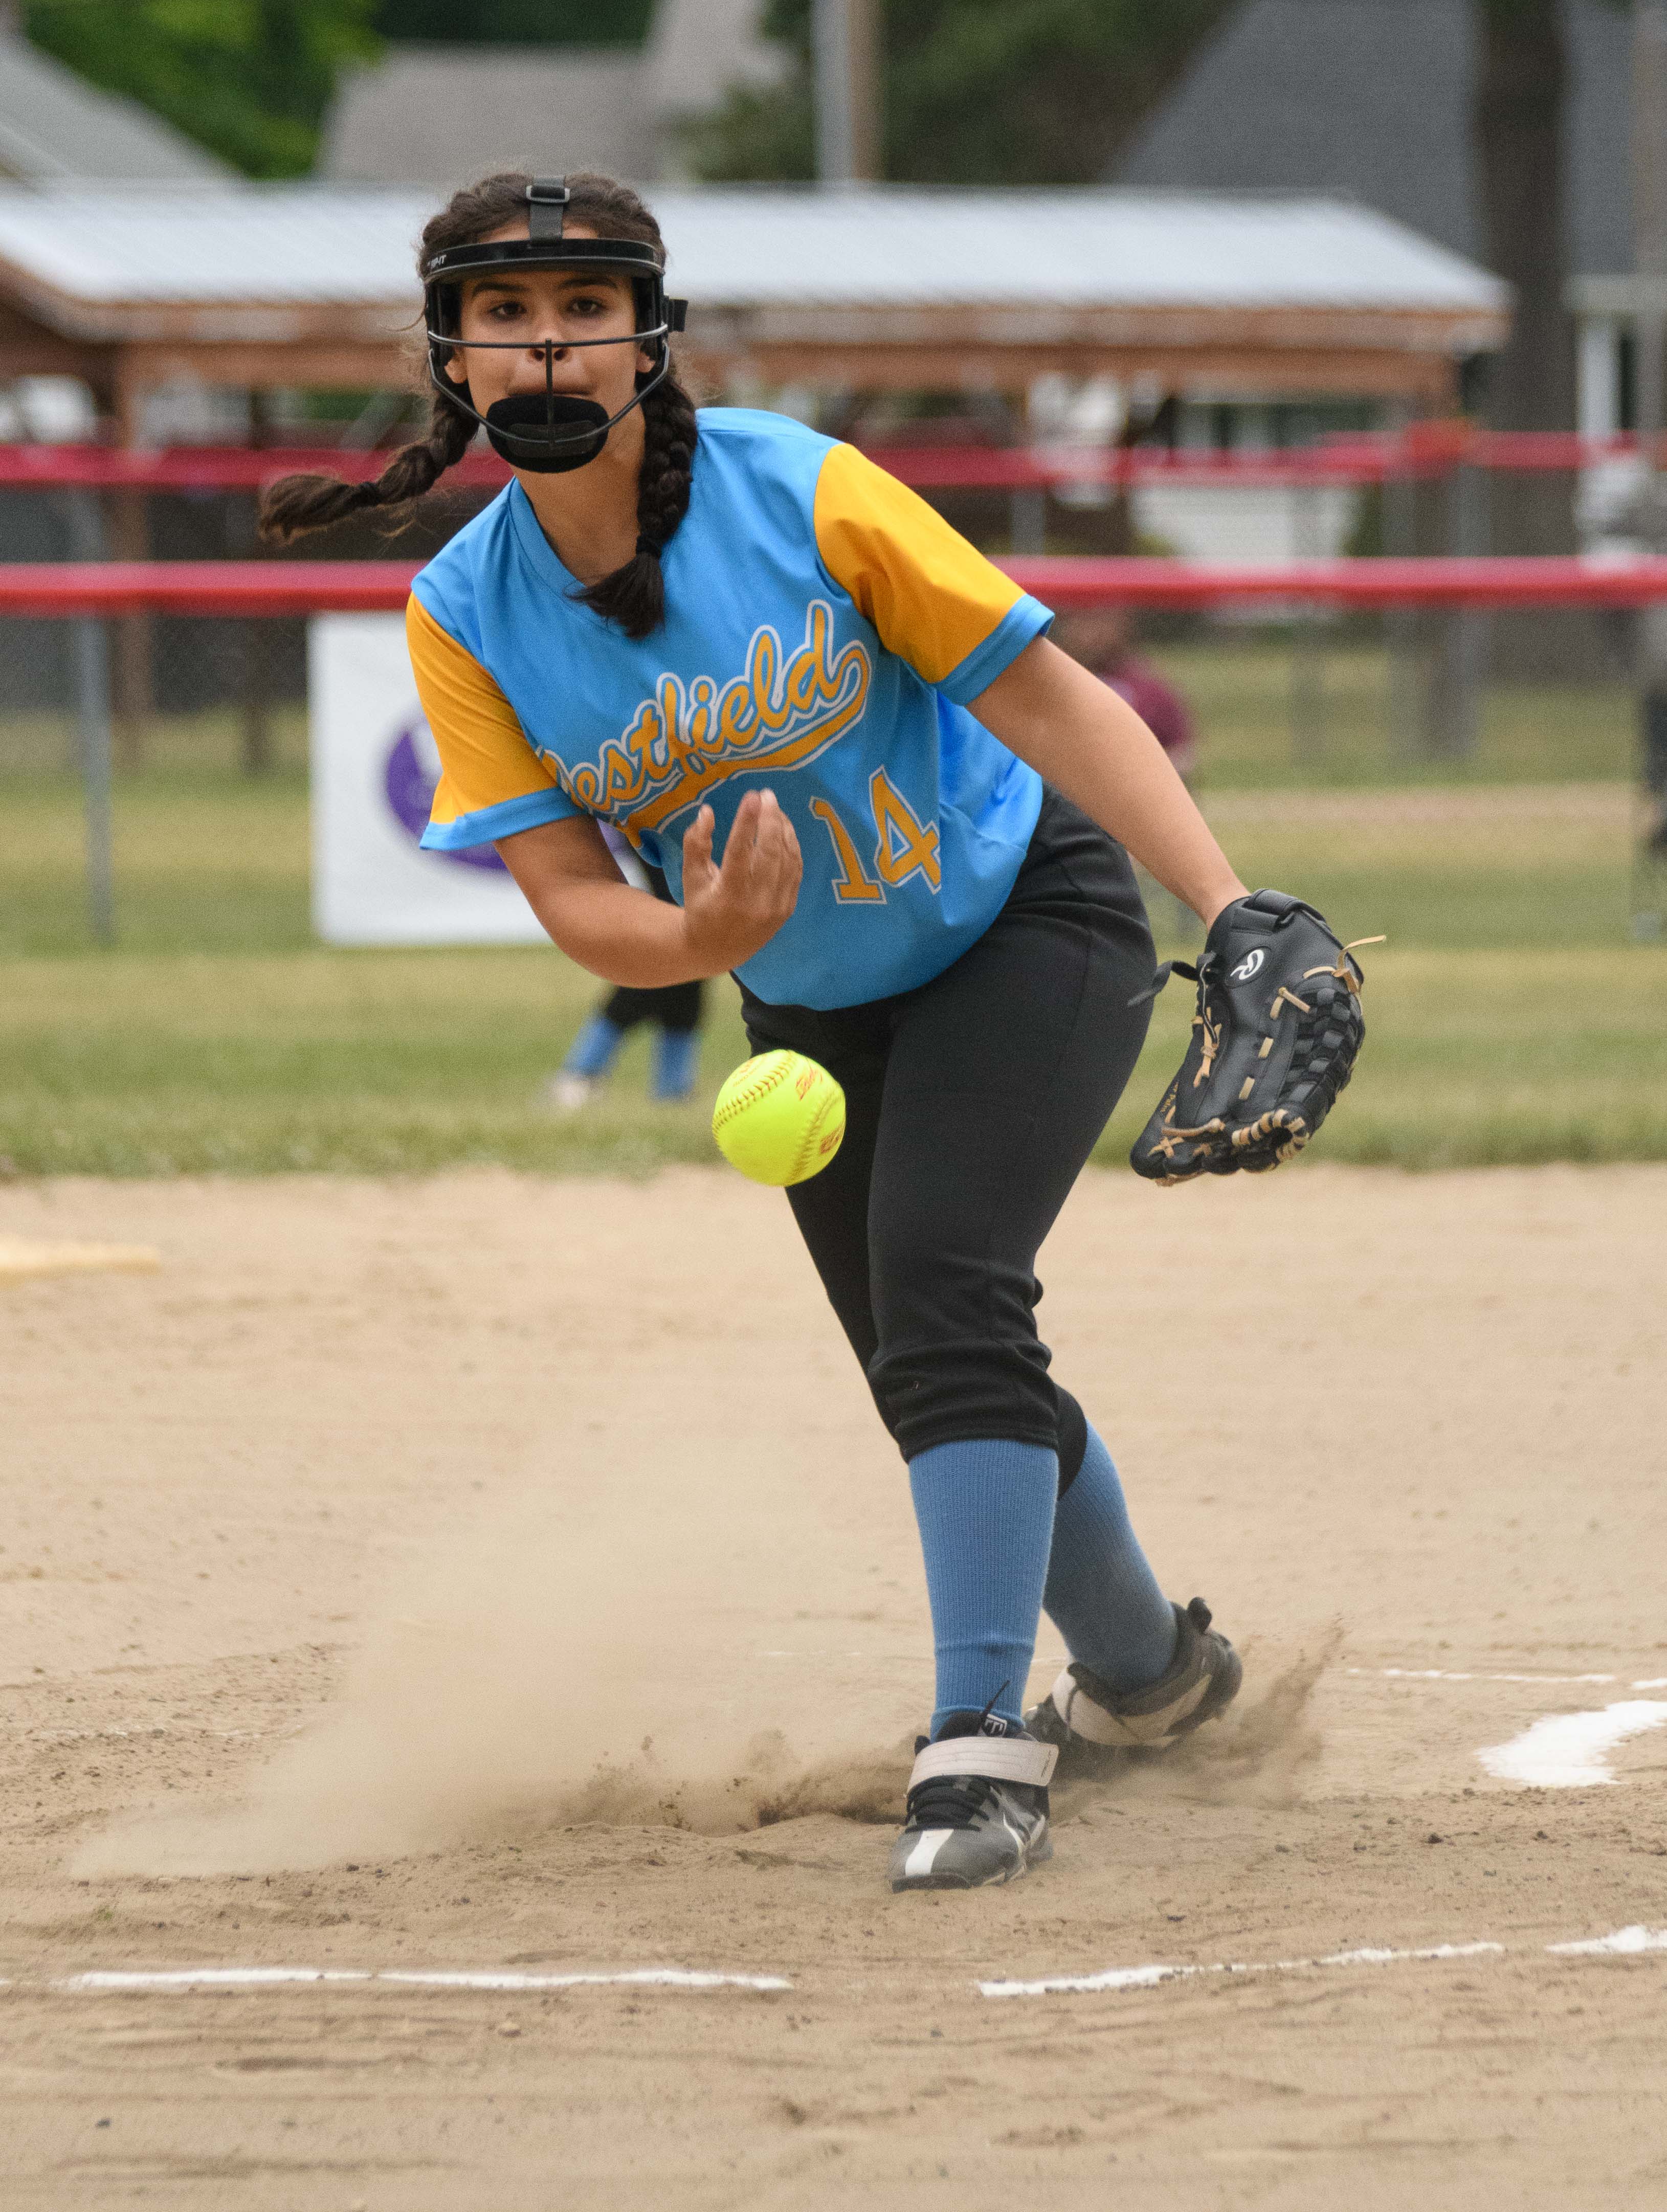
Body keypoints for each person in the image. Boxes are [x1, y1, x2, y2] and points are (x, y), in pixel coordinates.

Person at [261, 169, 1269, 1896]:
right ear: (453, 357)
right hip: (806, 1005)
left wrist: (1227, 906)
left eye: (584, 306)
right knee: (932, 1364)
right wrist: (694, 942)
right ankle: (1151, 1673)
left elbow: (1044, 695)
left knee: (947, 1300)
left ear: (648, 335)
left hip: (1022, 912)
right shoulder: (464, 609)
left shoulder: (800, 486)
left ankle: (979, 1741)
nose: (546, 345)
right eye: (504, 314)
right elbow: (567, 887)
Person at [549, 831, 705, 1108]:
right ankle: (582, 1073)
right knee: (684, 938)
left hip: (694, 820)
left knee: (693, 944)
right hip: (657, 819)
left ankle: (671, 1088)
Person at [1060, 605, 1195, 774]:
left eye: (1101, 619)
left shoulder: (1148, 689)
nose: (1091, 631)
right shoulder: (1050, 679)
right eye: (1081, 619)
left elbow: (1181, 753)